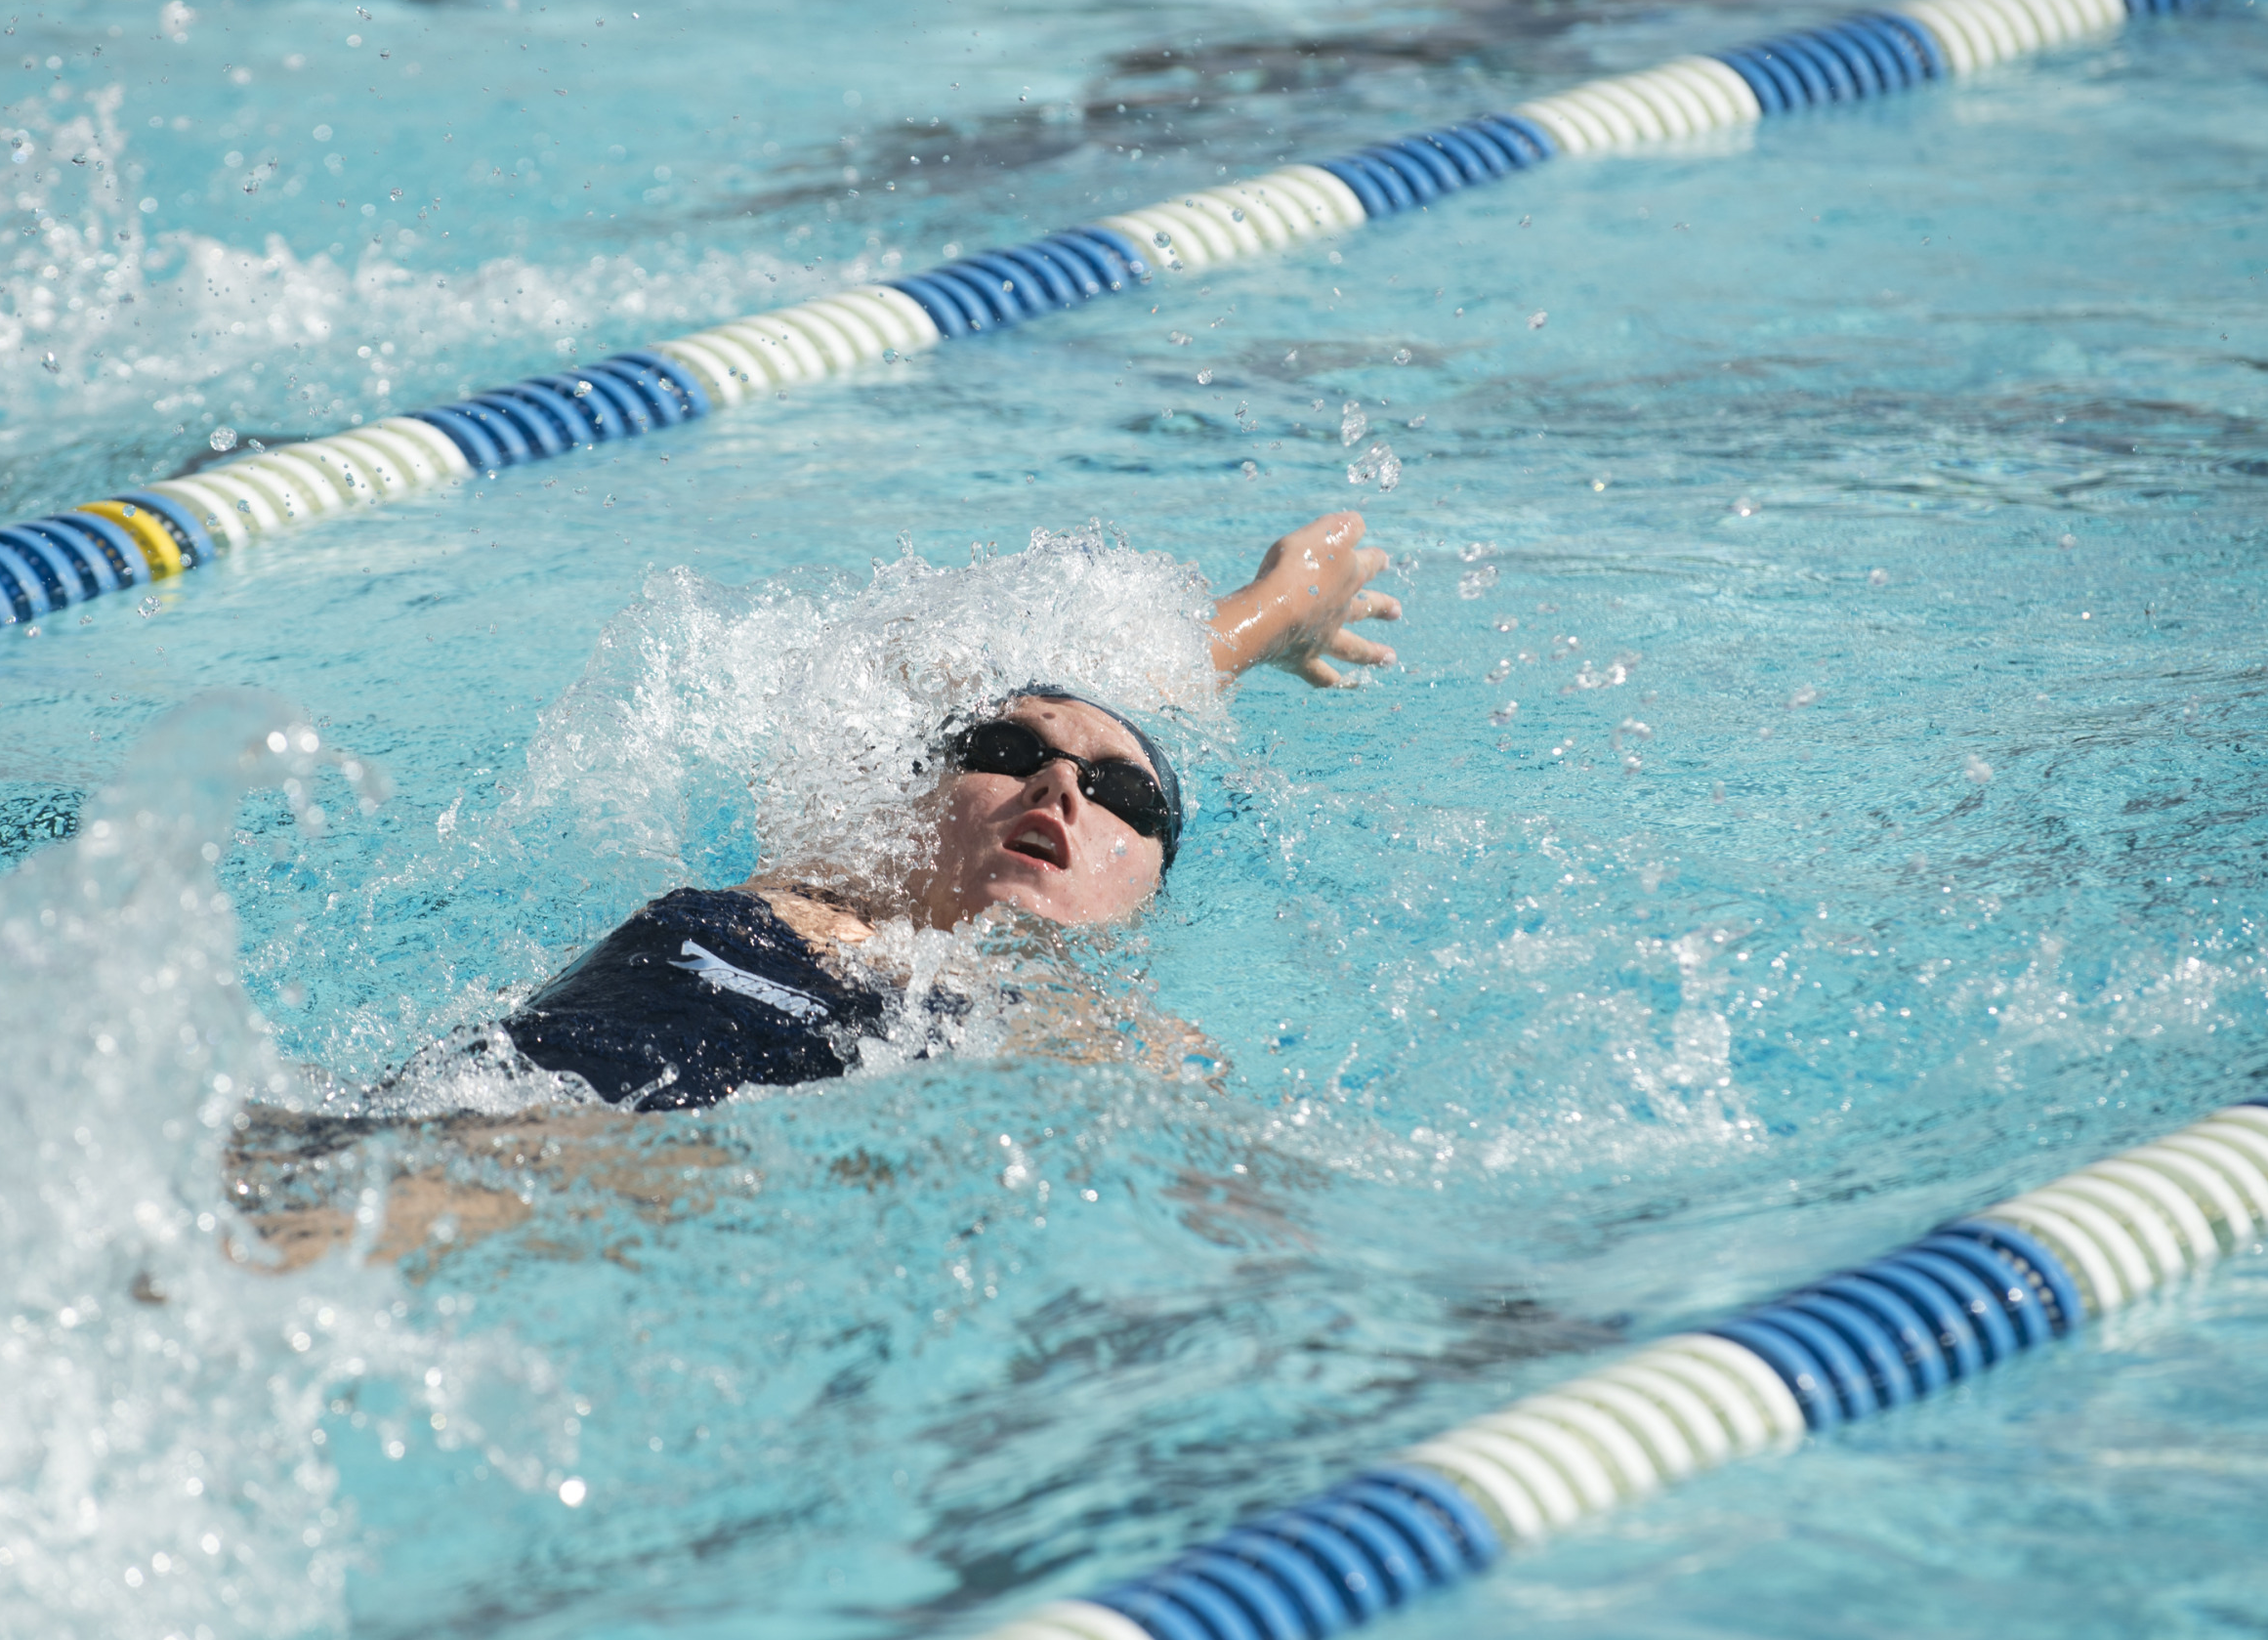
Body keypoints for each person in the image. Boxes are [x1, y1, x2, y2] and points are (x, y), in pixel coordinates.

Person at [219, 509, 1399, 1277]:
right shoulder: (819, 880)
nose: (1058, 786)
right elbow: (925, 676)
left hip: (569, 1198)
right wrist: (1262, 617)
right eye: (1006, 747)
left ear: (1148, 888)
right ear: (917, 793)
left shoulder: (1102, 1042)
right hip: (364, 1126)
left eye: (1123, 800)